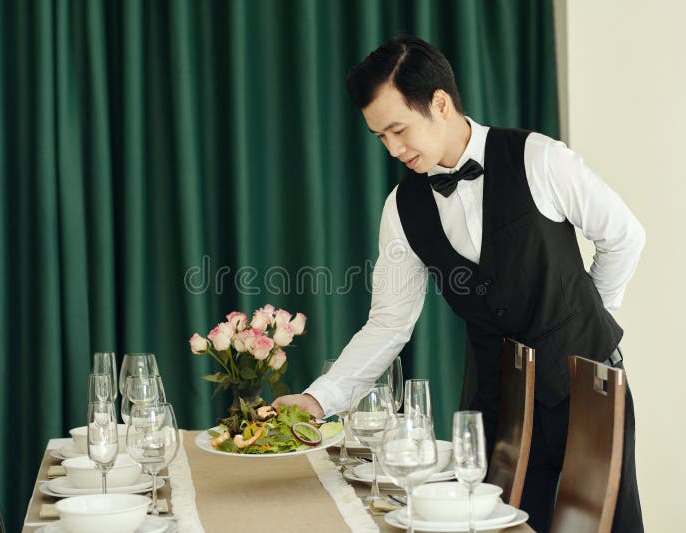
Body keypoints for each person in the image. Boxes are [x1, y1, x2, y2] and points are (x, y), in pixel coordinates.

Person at [273, 34, 644, 532]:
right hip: (494, 403)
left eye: (399, 130)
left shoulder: (538, 158)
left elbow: (624, 236)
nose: (393, 149)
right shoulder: (401, 209)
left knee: (602, 526)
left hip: (586, 393)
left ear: (440, 103)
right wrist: (319, 399)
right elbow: (388, 323)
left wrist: (591, 318)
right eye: (380, 137)